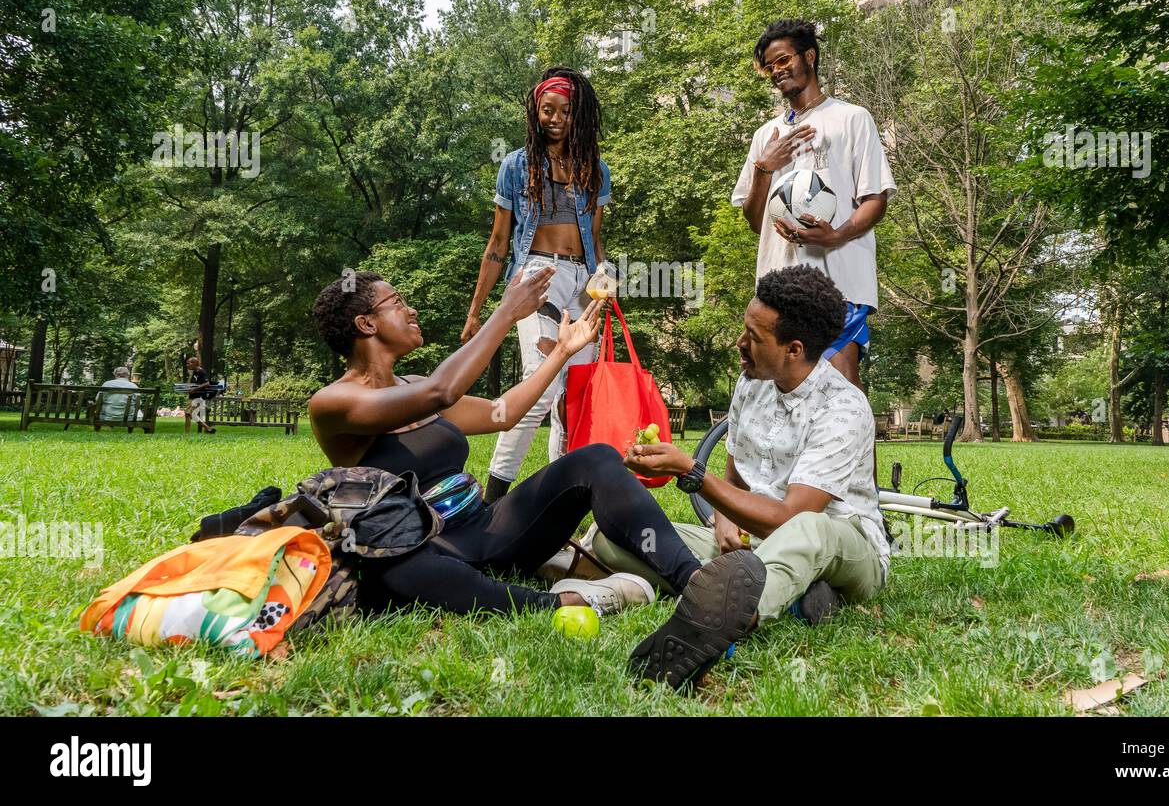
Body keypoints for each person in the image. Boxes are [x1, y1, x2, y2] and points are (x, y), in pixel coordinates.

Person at [308, 269, 706, 620]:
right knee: (394, 567)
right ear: (366, 324)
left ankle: (697, 581)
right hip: (427, 548)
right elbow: (442, 391)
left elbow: (503, 413)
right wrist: (504, 314)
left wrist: (563, 352)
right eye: (397, 303)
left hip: (488, 529)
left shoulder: (413, 385)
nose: (411, 310)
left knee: (596, 460)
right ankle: (561, 602)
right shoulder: (333, 404)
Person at [608, 265, 891, 690]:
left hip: (844, 546)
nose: (740, 344)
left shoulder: (844, 409)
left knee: (813, 531)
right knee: (613, 535)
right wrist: (724, 523)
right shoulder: (751, 382)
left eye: (754, 338)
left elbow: (789, 519)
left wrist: (690, 471)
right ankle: (784, 595)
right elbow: (736, 477)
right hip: (756, 544)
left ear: (794, 349)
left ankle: (723, 618)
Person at [461, 68, 613, 504]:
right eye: (548, 110)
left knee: (576, 391)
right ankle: (491, 501)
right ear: (535, 112)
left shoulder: (594, 169)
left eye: (566, 111)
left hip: (584, 280)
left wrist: (606, 282)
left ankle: (560, 497)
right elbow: (497, 243)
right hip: (537, 278)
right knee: (541, 385)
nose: (557, 118)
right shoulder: (515, 165)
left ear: (578, 114)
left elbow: (596, 239)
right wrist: (477, 310)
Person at [732, 19, 896, 393]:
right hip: (778, 287)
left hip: (836, 282)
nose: (777, 70)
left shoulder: (852, 119)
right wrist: (763, 168)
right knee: (765, 397)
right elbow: (757, 223)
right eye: (770, 66)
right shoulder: (765, 137)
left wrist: (836, 235)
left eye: (784, 59)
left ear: (809, 56)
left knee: (842, 393)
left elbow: (876, 199)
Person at [183, 356, 216, 434]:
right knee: (191, 415)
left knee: (188, 413)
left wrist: (194, 389)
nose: (187, 365)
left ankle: (186, 434)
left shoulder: (201, 371)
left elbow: (207, 383)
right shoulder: (195, 371)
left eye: (188, 363)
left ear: (194, 363)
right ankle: (208, 429)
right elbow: (196, 384)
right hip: (192, 397)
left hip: (198, 397)